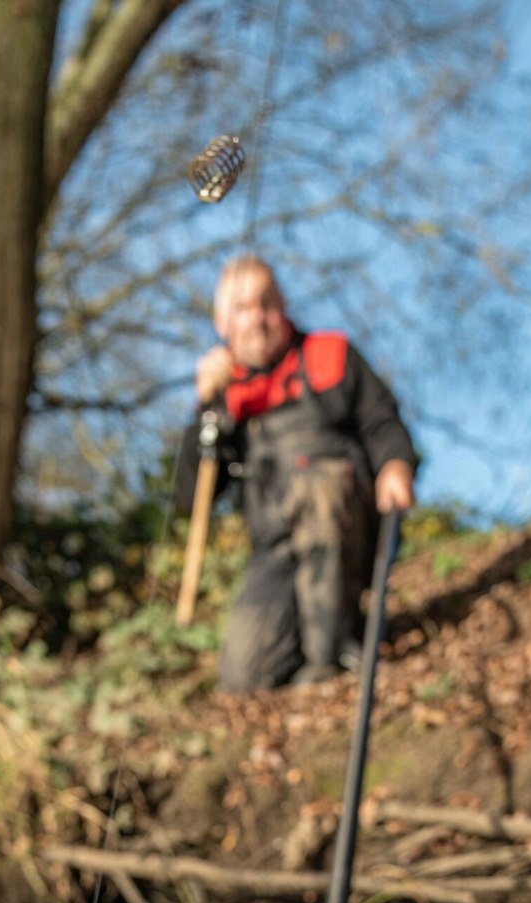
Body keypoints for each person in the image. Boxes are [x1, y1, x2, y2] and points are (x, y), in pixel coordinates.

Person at [178, 256, 418, 692]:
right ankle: (304, 647)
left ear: (283, 305)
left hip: (349, 522)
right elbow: (190, 496)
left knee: (316, 484)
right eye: (242, 308)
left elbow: (382, 423)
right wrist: (206, 410)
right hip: (276, 548)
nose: (257, 318)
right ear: (222, 323)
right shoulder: (225, 395)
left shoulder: (330, 355)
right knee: (244, 675)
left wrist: (395, 467)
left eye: (266, 303)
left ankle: (333, 651)